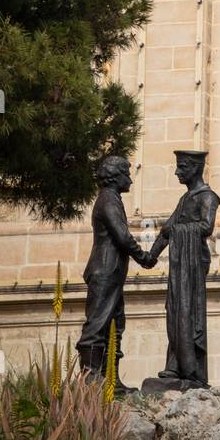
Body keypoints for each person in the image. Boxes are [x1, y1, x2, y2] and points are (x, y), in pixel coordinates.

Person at [77, 154, 150, 391]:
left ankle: (111, 380)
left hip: (113, 272)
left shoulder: (112, 198)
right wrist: (144, 257)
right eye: (126, 174)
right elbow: (122, 236)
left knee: (115, 325)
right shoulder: (108, 199)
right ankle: (90, 379)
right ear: (115, 177)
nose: (130, 178)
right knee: (98, 323)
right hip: (105, 270)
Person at [148, 150, 220, 387]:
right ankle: (175, 363)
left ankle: (189, 365)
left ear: (195, 169)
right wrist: (150, 256)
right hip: (181, 262)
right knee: (176, 308)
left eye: (182, 167)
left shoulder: (207, 197)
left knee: (188, 309)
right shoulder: (185, 198)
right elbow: (166, 229)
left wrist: (177, 232)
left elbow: (206, 226)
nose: (177, 172)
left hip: (193, 262)